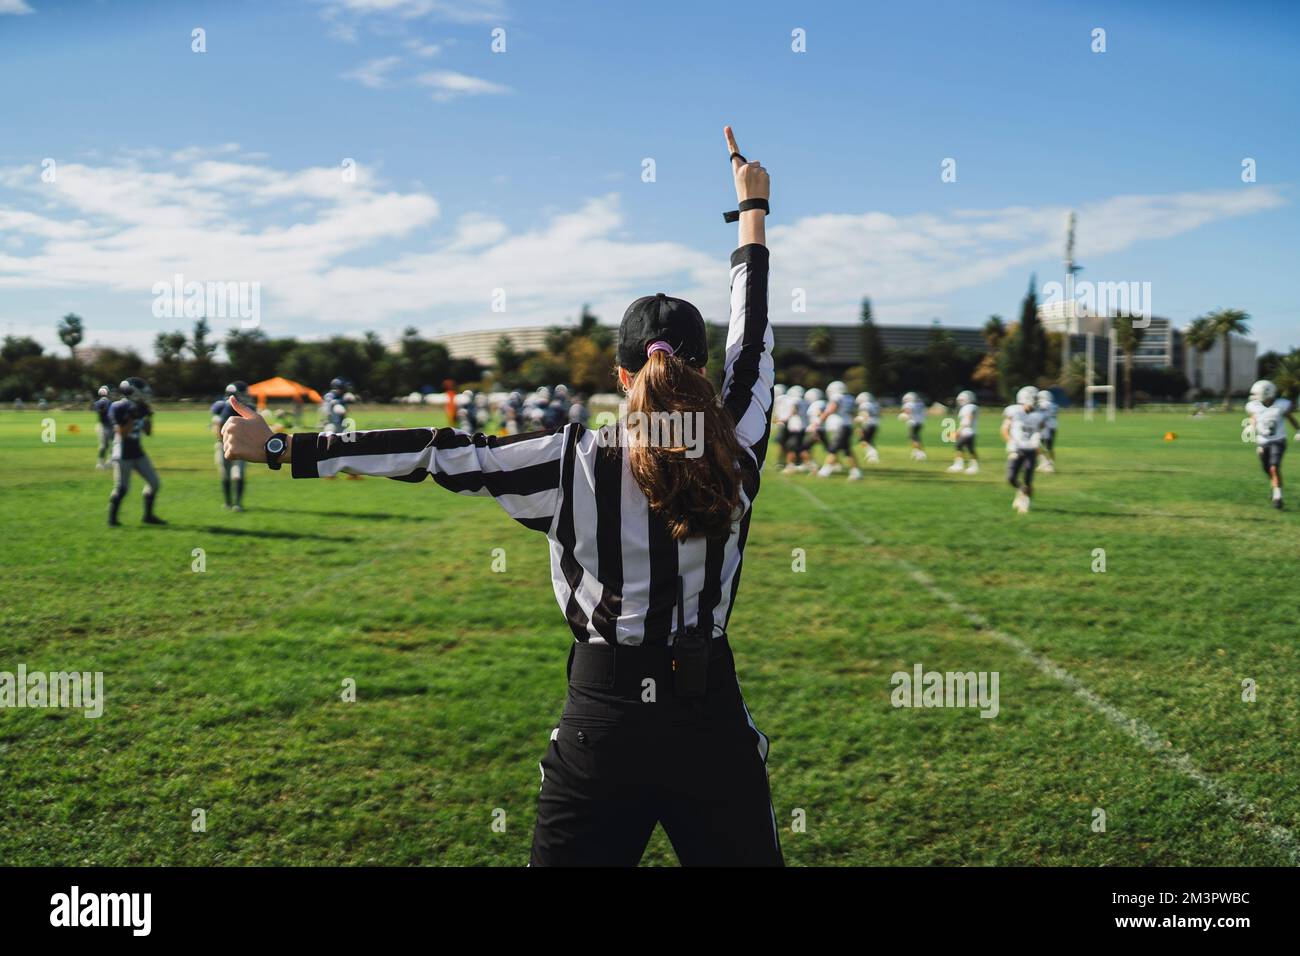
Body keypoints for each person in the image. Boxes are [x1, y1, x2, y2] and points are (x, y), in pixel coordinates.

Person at [222, 127, 780, 867]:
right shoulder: (736, 437)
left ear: (620, 376)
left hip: (605, 716)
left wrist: (284, 447)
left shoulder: (572, 459)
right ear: (704, 372)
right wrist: (753, 207)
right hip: (708, 714)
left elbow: (436, 450)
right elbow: (755, 328)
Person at [108, 377, 165, 527]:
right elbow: (122, 433)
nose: (145, 395)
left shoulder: (142, 407)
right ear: (132, 392)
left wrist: (148, 417)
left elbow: (148, 432)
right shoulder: (117, 407)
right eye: (142, 393)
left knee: (154, 483)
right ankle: (112, 520)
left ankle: (148, 516)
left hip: (137, 451)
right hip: (122, 452)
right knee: (122, 488)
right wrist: (132, 416)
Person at [1245, 379, 1299, 510]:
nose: (1255, 397)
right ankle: (1275, 486)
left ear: (1266, 393)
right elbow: (1254, 416)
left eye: (1257, 394)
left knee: (1274, 467)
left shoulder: (1281, 405)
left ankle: (1277, 498)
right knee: (1267, 469)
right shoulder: (1254, 406)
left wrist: (1298, 429)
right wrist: (1251, 427)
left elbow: (1290, 417)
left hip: (1278, 440)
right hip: (1262, 442)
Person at [1001, 385, 1043, 514]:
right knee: (1011, 478)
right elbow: (1004, 430)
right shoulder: (1014, 411)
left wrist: (1038, 442)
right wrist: (1011, 444)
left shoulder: (1039, 415)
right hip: (1017, 449)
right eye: (1034, 398)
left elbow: (1041, 429)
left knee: (1028, 478)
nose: (1036, 401)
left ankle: (1026, 502)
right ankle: (1021, 490)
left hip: (1031, 449)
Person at [211, 381, 252, 511]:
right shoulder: (225, 407)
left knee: (238, 473)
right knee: (226, 474)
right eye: (243, 394)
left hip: (240, 445)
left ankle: (237, 503)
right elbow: (217, 426)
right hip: (225, 444)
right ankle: (229, 502)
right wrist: (225, 443)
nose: (246, 396)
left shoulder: (248, 407)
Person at [813, 381, 861, 480]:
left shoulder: (837, 397)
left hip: (841, 426)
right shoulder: (850, 398)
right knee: (847, 450)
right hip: (847, 425)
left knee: (833, 449)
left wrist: (819, 420)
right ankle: (856, 472)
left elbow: (831, 409)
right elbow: (854, 413)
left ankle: (824, 472)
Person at [947, 389, 979, 475]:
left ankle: (959, 465)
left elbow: (968, 419)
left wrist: (958, 431)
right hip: (971, 431)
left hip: (967, 431)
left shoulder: (968, 407)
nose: (960, 402)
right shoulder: (972, 407)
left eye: (962, 400)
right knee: (970, 449)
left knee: (958, 446)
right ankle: (974, 466)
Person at [1036, 388, 1058, 473]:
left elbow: (1042, 416)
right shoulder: (1053, 405)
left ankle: (1046, 464)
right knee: (1050, 447)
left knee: (1037, 445)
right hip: (1054, 427)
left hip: (1045, 427)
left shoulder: (1044, 404)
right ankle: (1049, 464)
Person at [91, 385, 114, 470]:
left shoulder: (98, 403)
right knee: (110, 445)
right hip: (107, 426)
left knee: (104, 445)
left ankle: (102, 463)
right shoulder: (108, 402)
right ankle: (106, 462)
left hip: (103, 425)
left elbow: (97, 410)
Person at [855, 391, 881, 464]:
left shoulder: (864, 405)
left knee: (863, 440)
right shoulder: (874, 404)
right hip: (875, 424)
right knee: (868, 440)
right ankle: (872, 456)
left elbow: (865, 416)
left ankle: (872, 453)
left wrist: (857, 419)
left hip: (868, 424)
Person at [900, 391, 927, 460]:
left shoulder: (909, 404)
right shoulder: (920, 403)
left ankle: (920, 453)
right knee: (916, 437)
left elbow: (907, 412)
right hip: (920, 422)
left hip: (913, 422)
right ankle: (915, 451)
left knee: (914, 438)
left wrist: (904, 416)